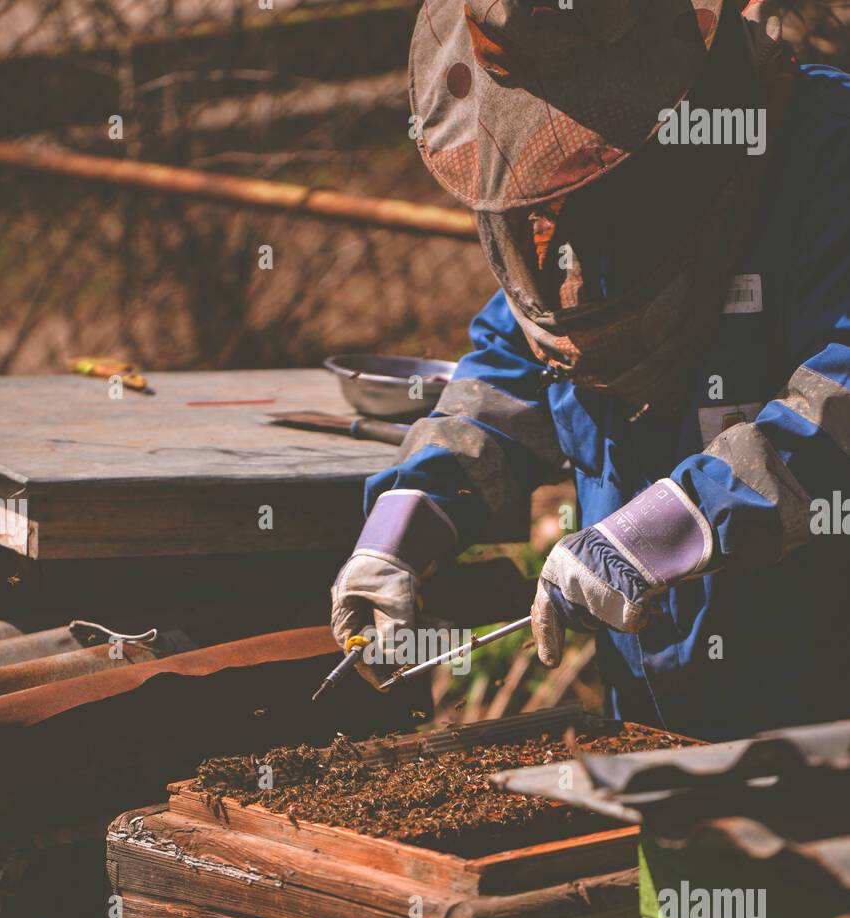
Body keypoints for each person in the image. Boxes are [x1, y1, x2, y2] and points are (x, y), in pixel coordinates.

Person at [331, 0, 850, 740]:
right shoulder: (578, 201)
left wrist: (679, 525)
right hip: (649, 702)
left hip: (821, 693)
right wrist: (403, 524)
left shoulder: (823, 151)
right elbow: (518, 361)